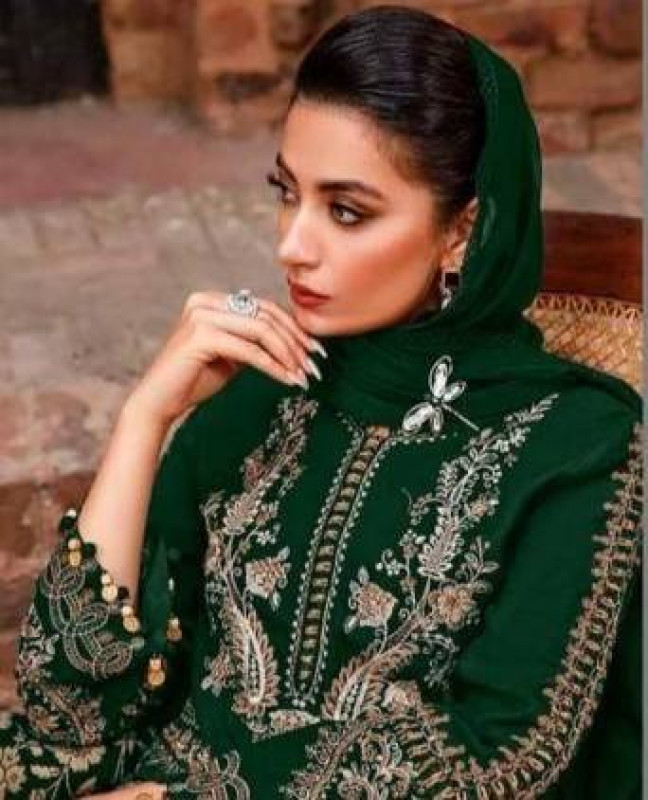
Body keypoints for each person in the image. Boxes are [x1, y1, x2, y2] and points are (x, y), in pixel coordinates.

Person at [0, 5, 642, 798]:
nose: (291, 246)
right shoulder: (263, 389)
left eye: (346, 212)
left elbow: (500, 758)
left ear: (461, 232)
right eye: (286, 192)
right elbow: (66, 713)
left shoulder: (580, 442)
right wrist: (145, 417)